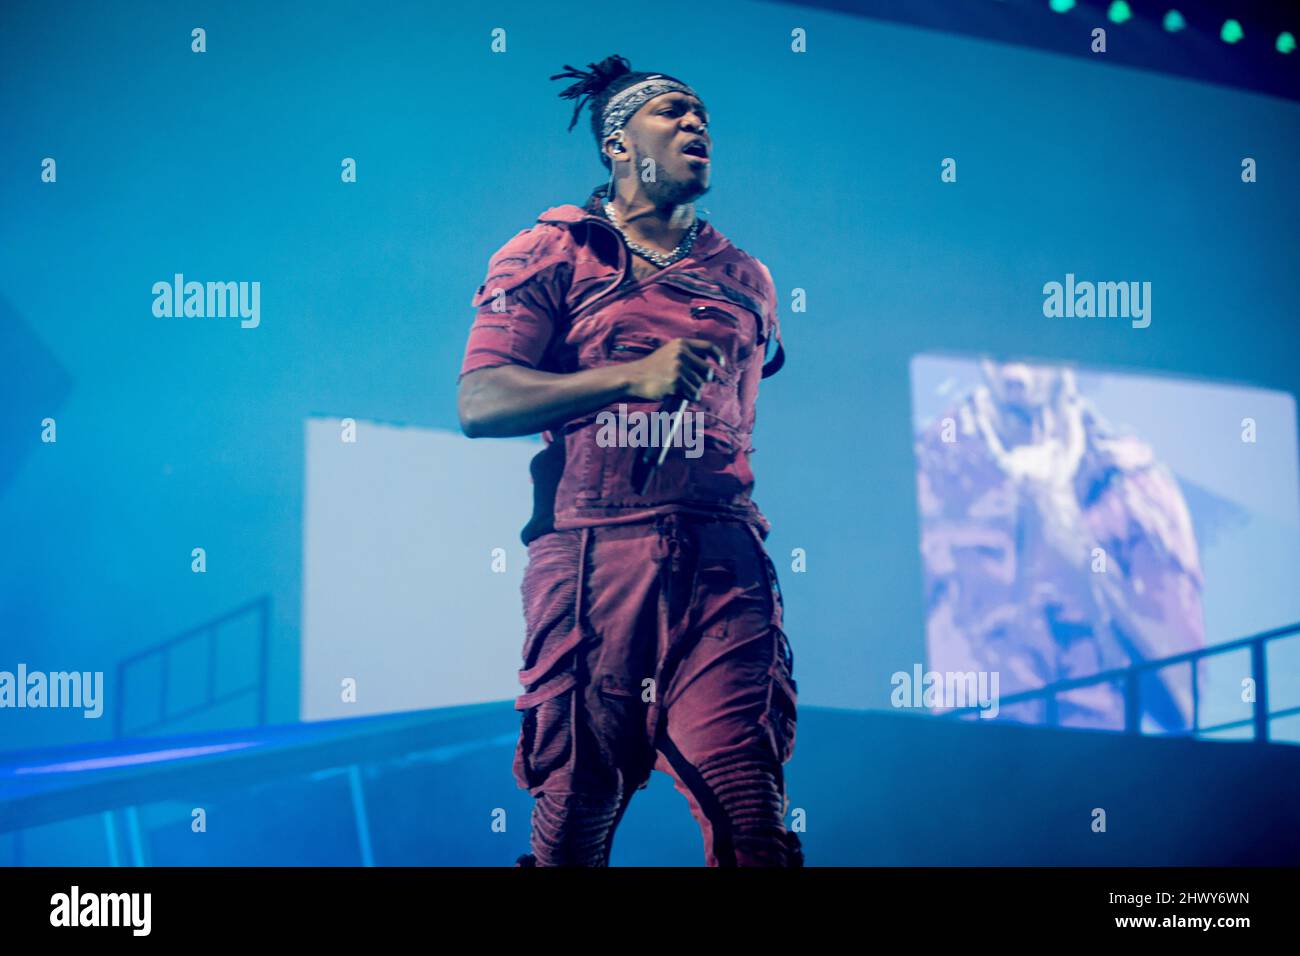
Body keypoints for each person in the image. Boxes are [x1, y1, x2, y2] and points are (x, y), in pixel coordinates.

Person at [457, 55, 800, 867]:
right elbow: (480, 403)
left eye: (704, 116)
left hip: (721, 563)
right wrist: (627, 377)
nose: (697, 127)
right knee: (577, 808)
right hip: (592, 565)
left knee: (752, 817)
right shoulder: (550, 252)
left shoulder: (745, 277)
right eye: (674, 113)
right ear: (617, 141)